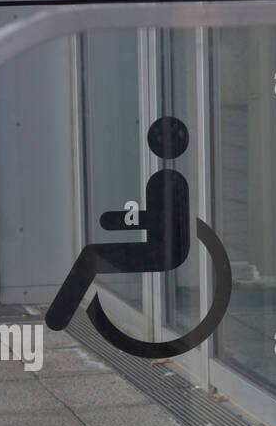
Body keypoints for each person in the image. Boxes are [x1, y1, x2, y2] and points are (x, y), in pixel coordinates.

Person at [46, 116, 191, 331]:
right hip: (161, 247)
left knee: (92, 257)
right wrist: (117, 220)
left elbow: (160, 221)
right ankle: (58, 316)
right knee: (91, 256)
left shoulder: (165, 179)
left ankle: (58, 317)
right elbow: (157, 220)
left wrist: (116, 220)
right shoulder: (167, 178)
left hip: (164, 252)